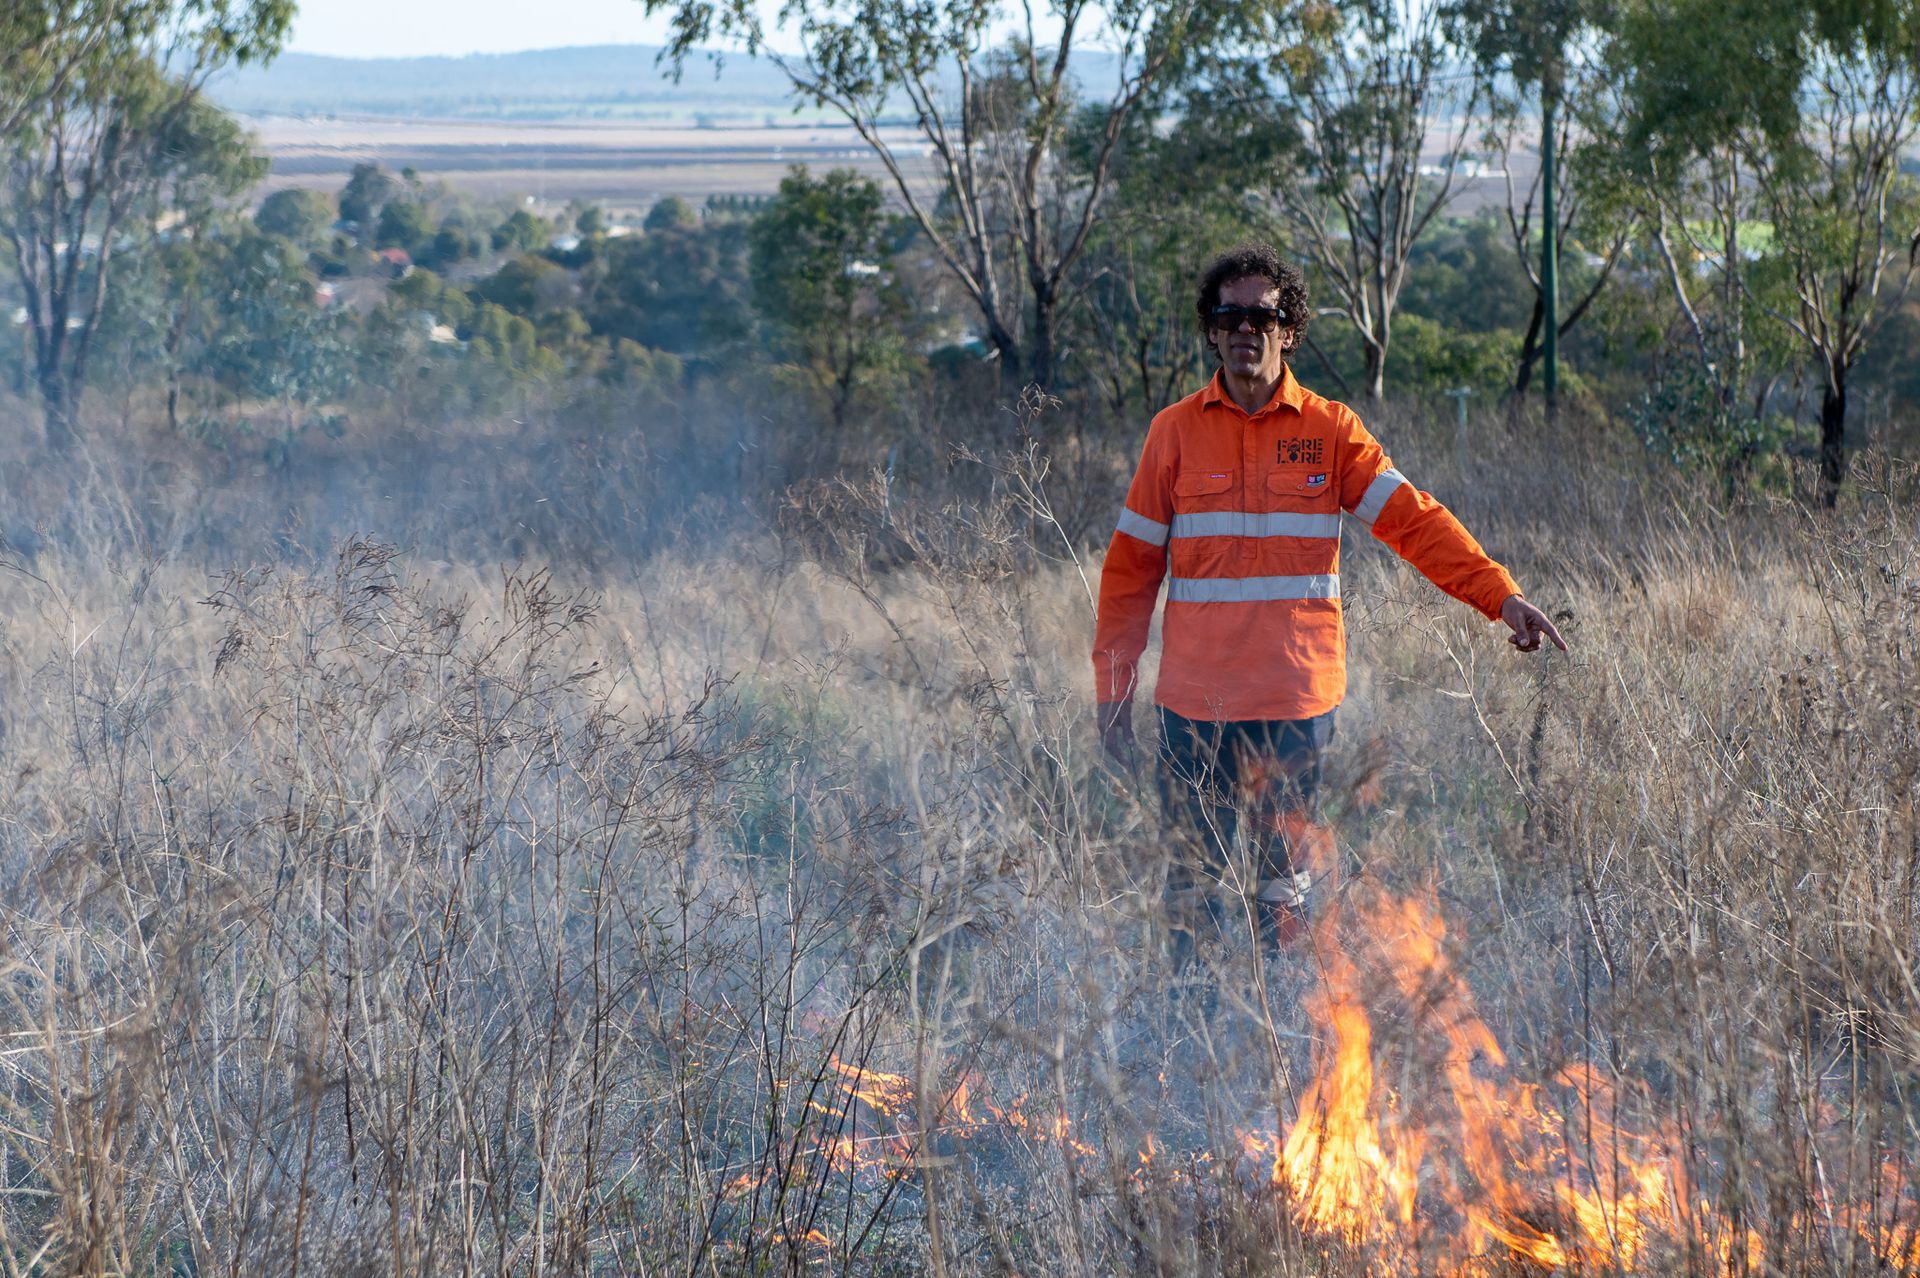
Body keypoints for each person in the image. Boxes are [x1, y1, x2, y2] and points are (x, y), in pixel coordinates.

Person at [1093, 243, 1566, 949]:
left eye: (1264, 315)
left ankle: (1284, 1041)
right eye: (1230, 315)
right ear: (1213, 331)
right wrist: (1112, 697)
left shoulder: (1331, 431)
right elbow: (1130, 575)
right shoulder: (1174, 433)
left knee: (1283, 893)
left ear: (1289, 330)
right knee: (1191, 888)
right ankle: (1185, 1047)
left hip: (1294, 705)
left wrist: (1500, 595)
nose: (1245, 328)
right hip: (1195, 707)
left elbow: (1414, 521)